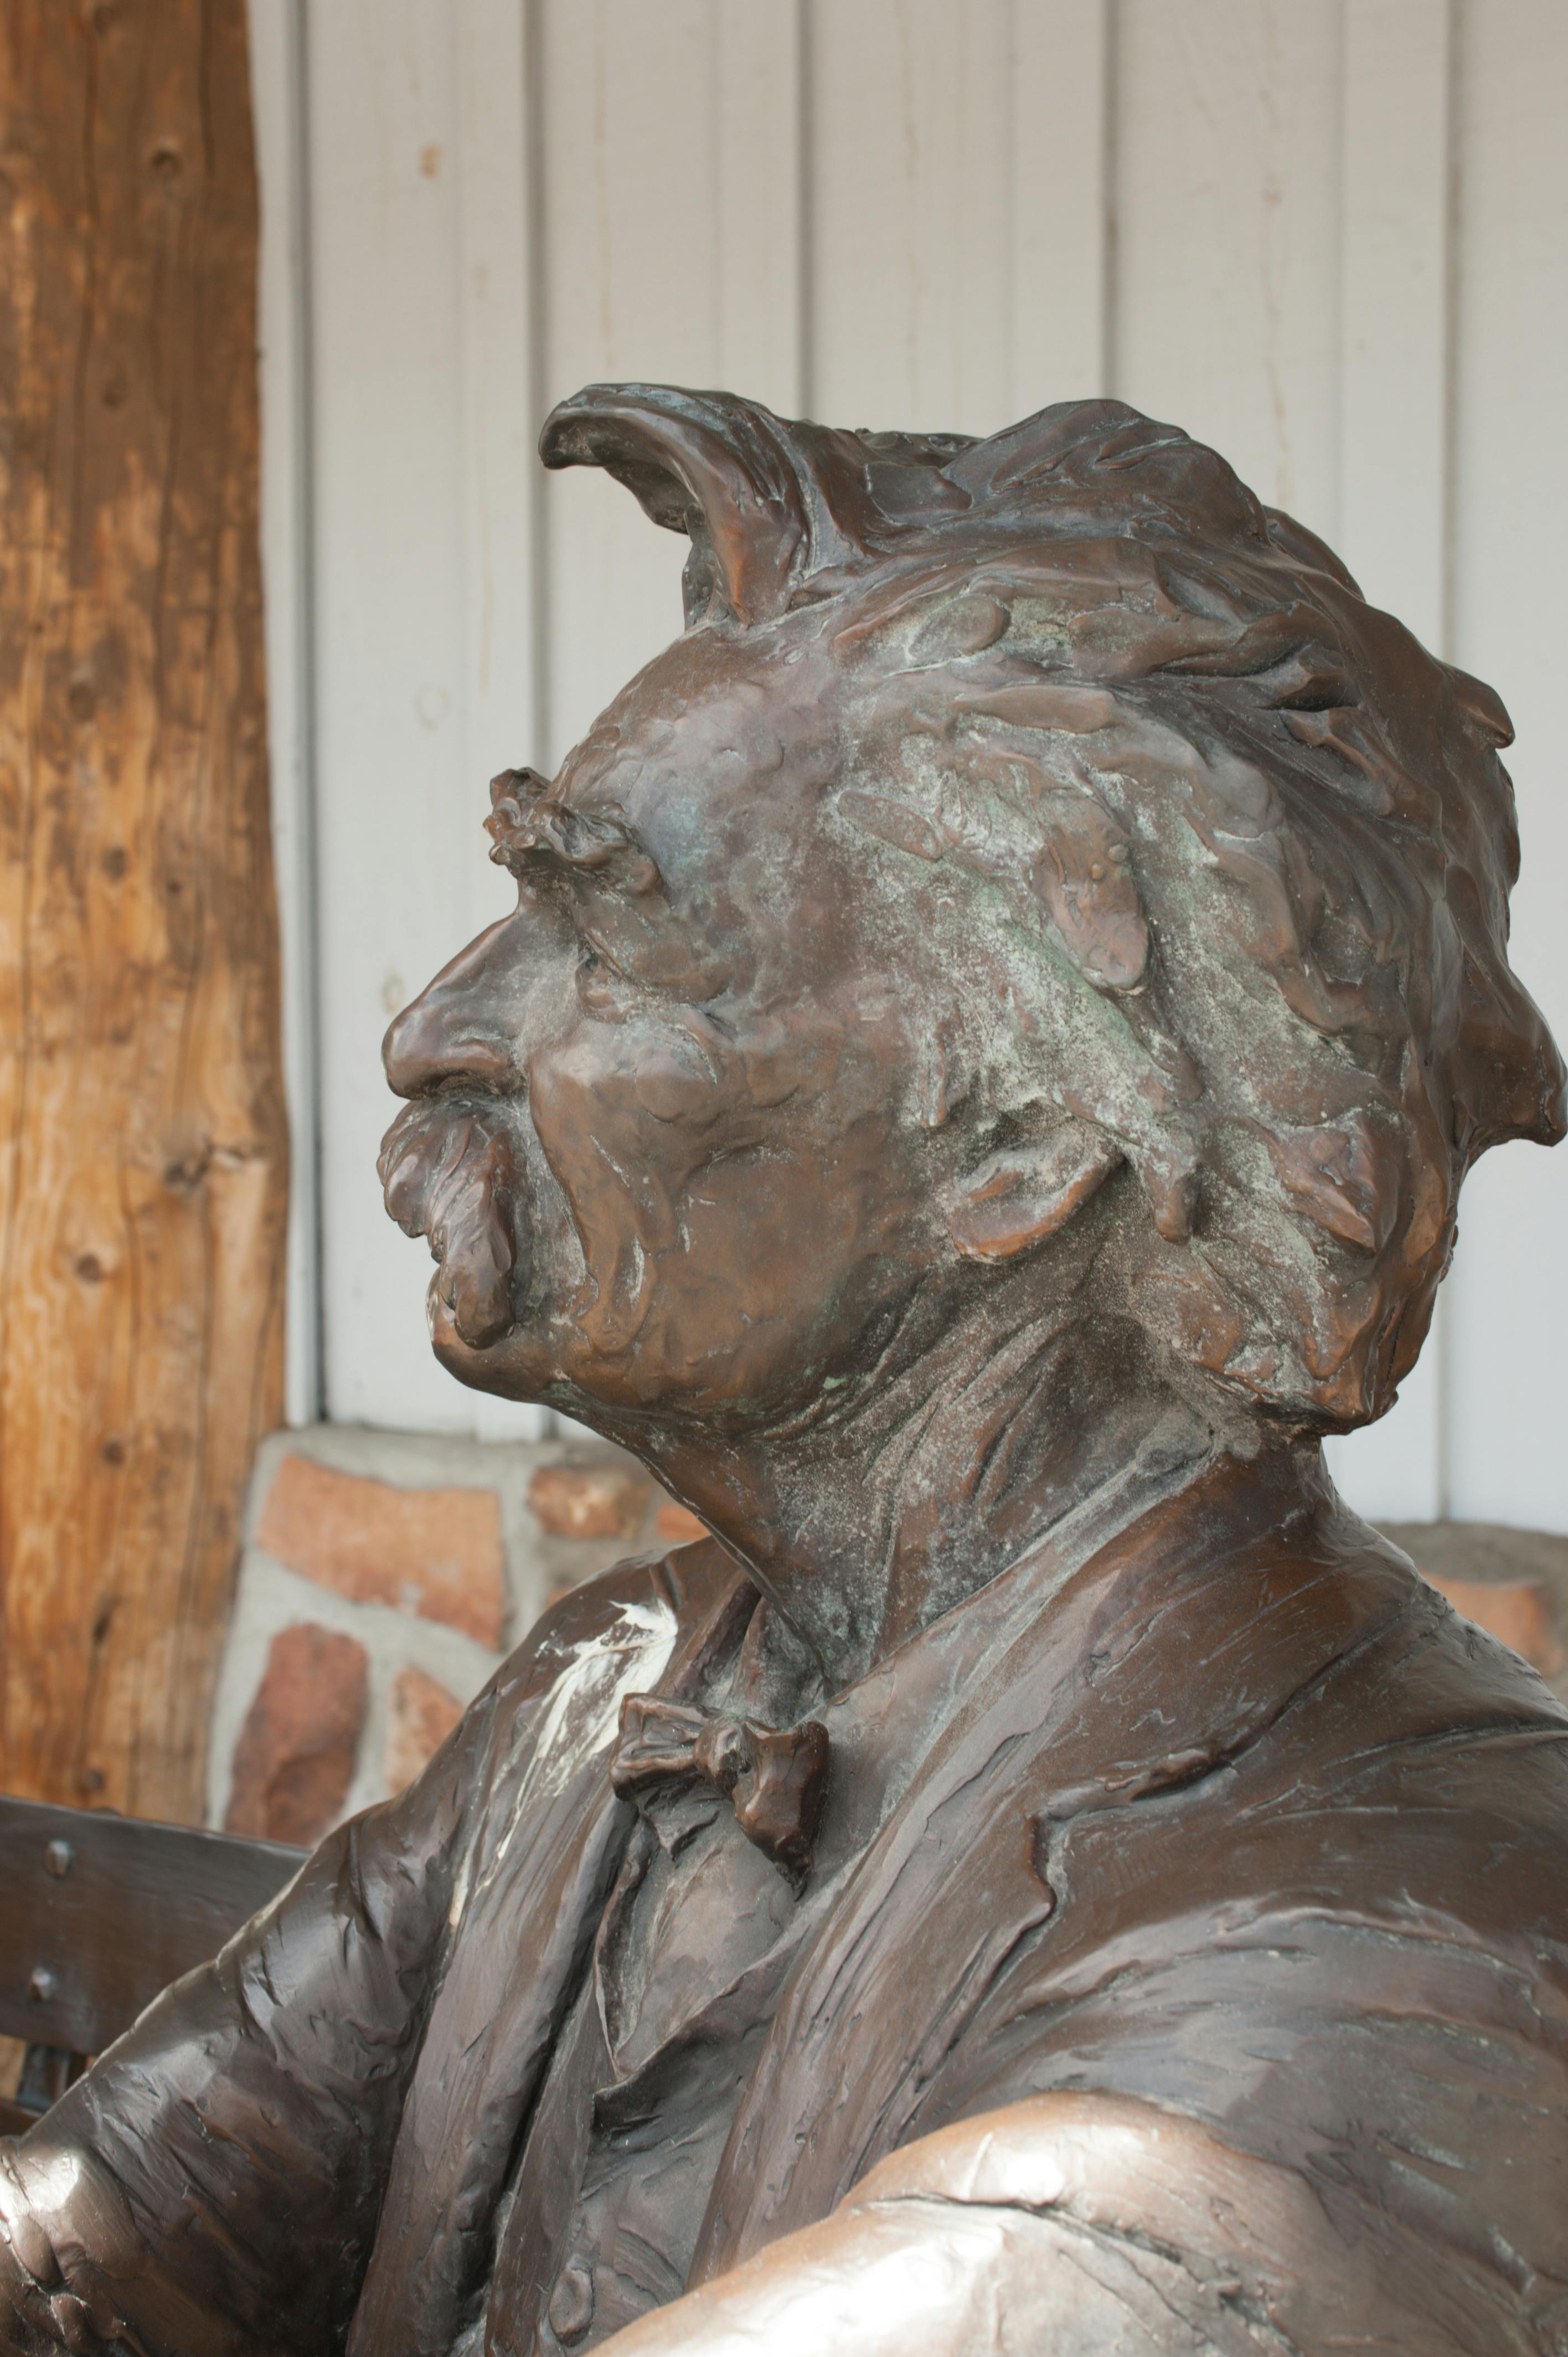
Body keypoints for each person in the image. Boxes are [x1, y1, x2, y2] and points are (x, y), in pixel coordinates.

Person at [4, 388, 1566, 2357]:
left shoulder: (1409, 1946)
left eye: (605, 930)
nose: (434, 1029)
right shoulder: (613, 1696)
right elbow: (107, 2232)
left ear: (1020, 1141)